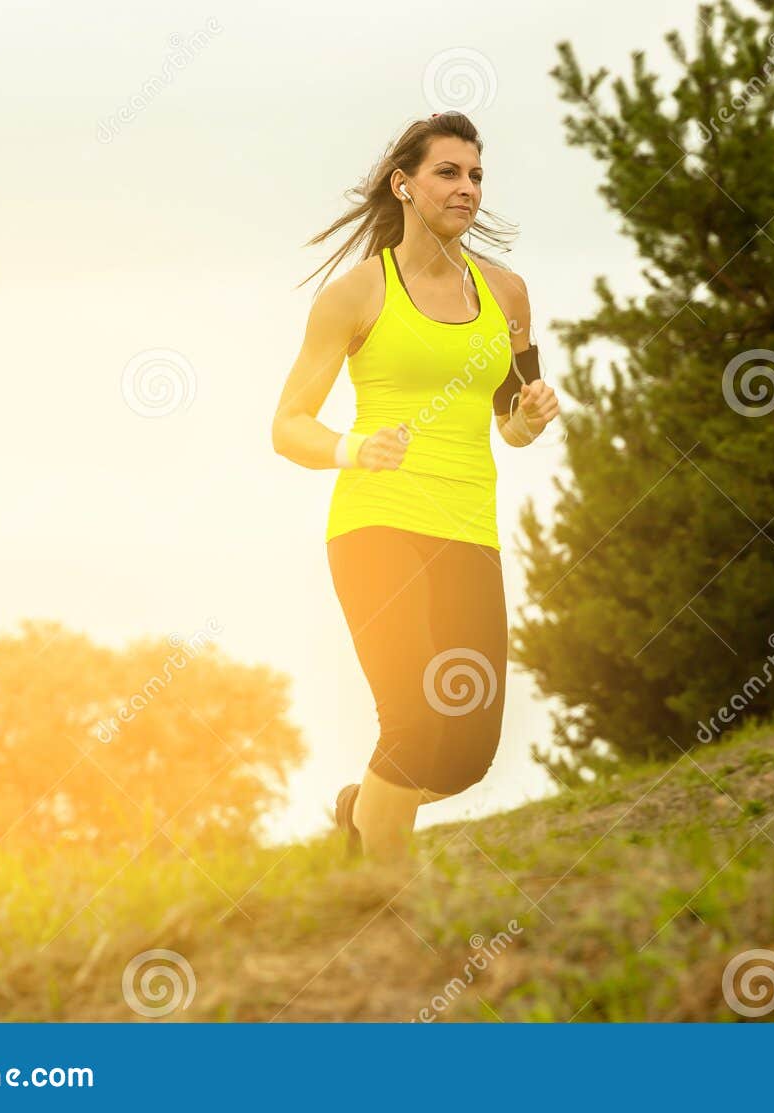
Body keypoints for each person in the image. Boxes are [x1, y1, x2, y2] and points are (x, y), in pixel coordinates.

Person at [270, 111, 559, 862]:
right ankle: (383, 902)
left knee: (465, 753)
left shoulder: (509, 294)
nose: (467, 188)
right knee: (413, 720)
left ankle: (360, 811)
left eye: (476, 175)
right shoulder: (357, 294)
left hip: (469, 528)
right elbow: (288, 425)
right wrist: (355, 447)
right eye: (448, 173)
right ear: (404, 184)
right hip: (378, 525)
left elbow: (511, 421)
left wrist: (530, 417)